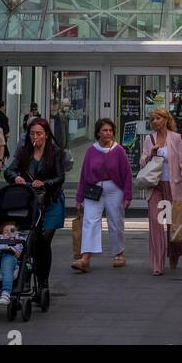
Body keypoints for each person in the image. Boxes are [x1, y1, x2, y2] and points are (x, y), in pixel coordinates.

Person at [5, 116, 65, 301]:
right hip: (31, 202)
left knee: (43, 241)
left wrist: (45, 183)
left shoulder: (55, 152)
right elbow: (9, 170)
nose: (35, 137)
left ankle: (43, 281)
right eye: (32, 133)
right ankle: (26, 275)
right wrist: (16, 178)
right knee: (29, 241)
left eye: (39, 133)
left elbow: (60, 177)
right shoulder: (24, 151)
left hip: (51, 201)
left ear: (46, 134)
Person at [72, 117, 132, 273]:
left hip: (114, 190)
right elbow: (84, 174)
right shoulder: (91, 150)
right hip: (94, 189)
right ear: (98, 132)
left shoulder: (119, 150)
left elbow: (127, 174)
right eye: (105, 130)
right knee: (90, 221)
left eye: (111, 130)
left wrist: (127, 195)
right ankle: (85, 258)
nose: (108, 133)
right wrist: (79, 197)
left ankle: (119, 254)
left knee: (116, 222)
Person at [139, 108, 182, 276]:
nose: (153, 121)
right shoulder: (149, 139)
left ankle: (174, 253)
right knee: (155, 221)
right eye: (151, 119)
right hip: (155, 186)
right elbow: (142, 160)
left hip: (172, 186)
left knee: (172, 224)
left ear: (165, 119)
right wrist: (150, 155)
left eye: (157, 118)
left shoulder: (175, 138)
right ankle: (157, 263)